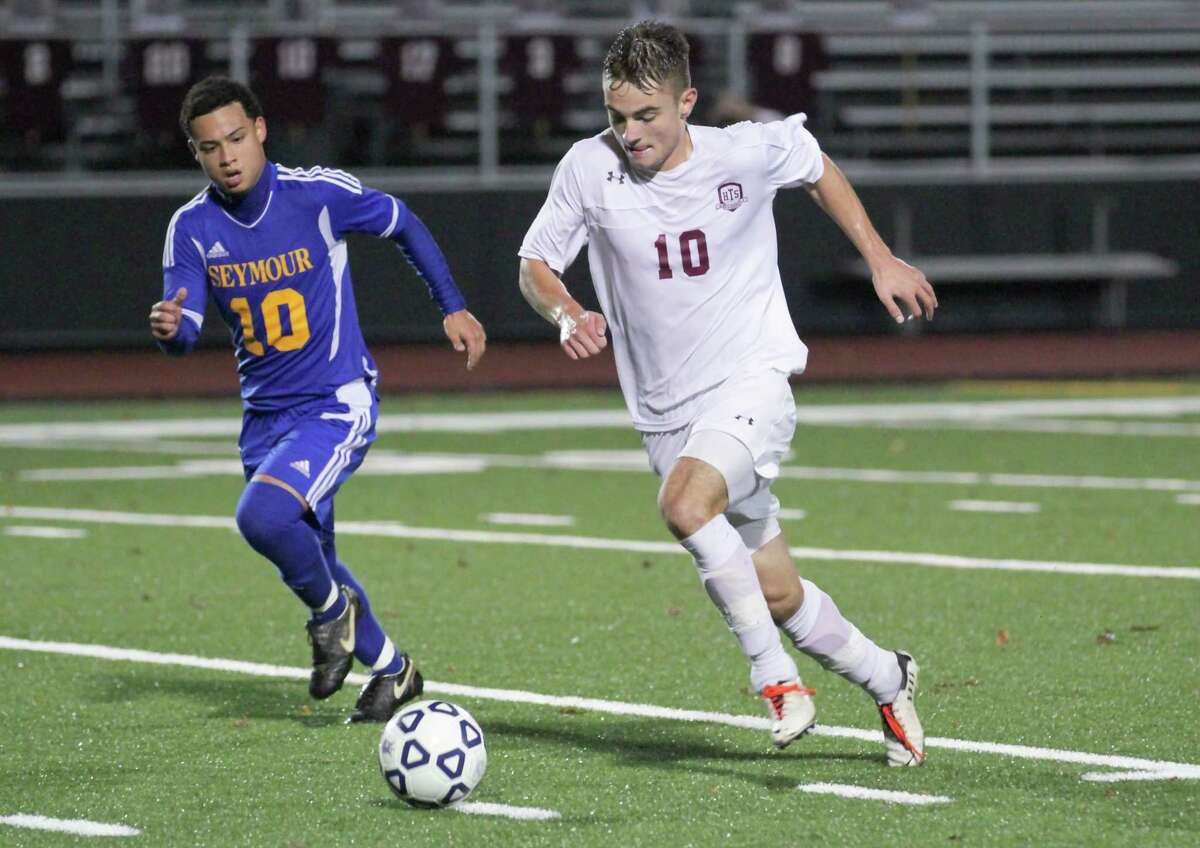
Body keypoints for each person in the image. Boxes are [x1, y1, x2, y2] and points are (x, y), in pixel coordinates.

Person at [517, 21, 935, 766]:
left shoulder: (743, 148)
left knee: (684, 506)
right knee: (777, 594)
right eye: (618, 117)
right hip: (665, 412)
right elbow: (534, 264)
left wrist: (880, 258)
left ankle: (776, 681)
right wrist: (566, 312)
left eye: (647, 115)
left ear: (687, 102)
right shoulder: (588, 168)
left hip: (752, 378)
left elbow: (816, 165)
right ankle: (887, 675)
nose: (632, 132)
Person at [149, 76, 486, 723]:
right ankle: (393, 671)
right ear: (195, 153)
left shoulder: (316, 196)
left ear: (262, 130)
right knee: (317, 558)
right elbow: (185, 329)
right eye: (210, 146)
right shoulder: (190, 228)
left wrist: (453, 306)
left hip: (336, 402)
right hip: (264, 422)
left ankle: (331, 619)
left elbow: (402, 222)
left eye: (237, 138)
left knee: (263, 519)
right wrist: (170, 331)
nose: (227, 155)